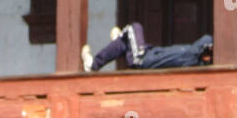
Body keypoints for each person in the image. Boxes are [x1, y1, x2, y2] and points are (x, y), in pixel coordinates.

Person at [81, 22, 213, 71]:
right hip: (146, 55)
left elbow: (207, 41)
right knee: (124, 41)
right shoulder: (194, 54)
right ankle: (121, 41)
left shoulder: (194, 56)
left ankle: (95, 63)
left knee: (134, 28)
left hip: (142, 59)